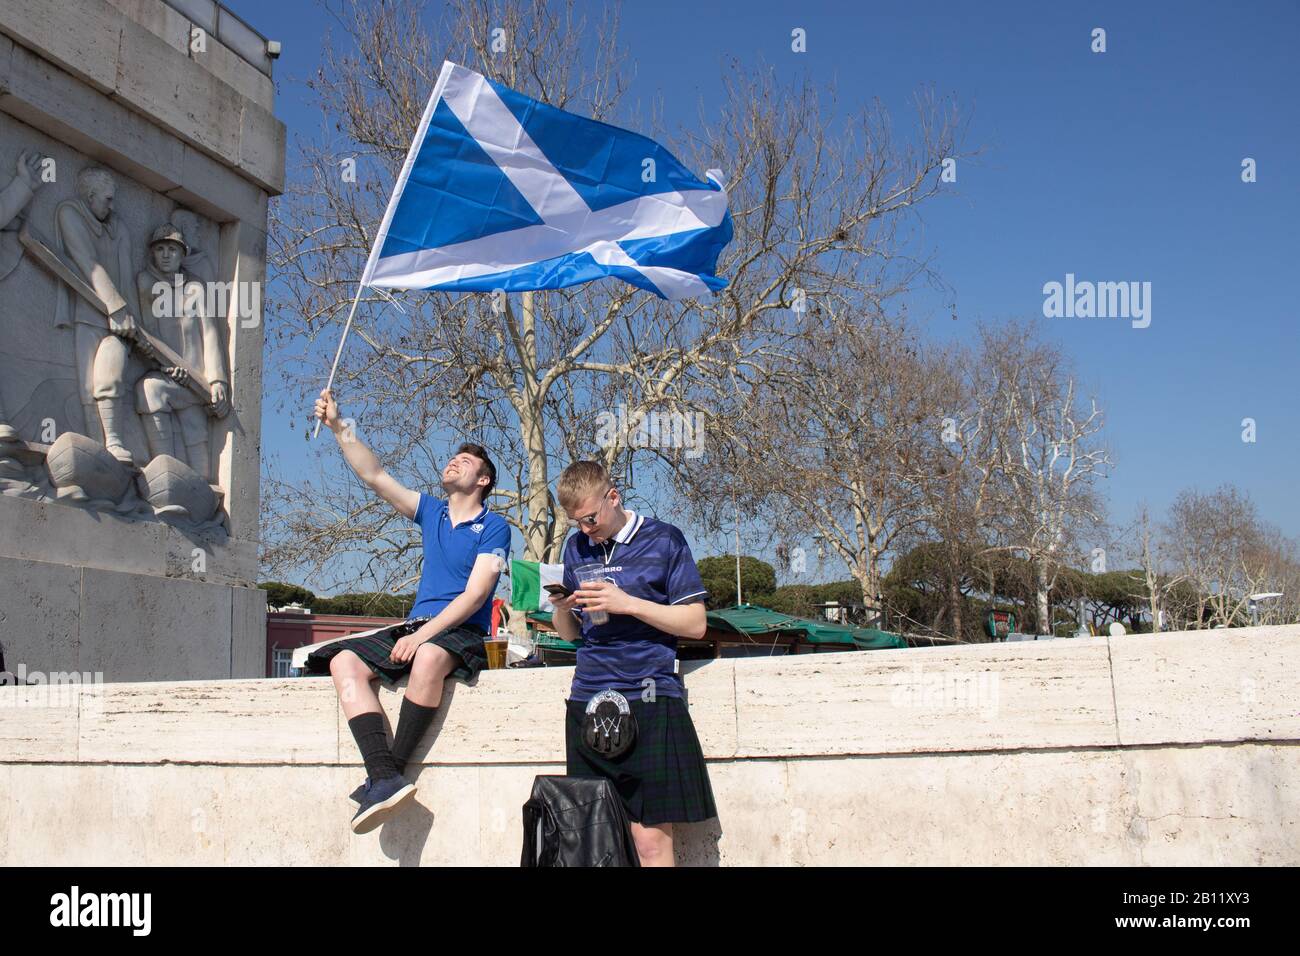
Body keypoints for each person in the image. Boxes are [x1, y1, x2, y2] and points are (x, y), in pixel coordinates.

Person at [305, 388, 510, 834]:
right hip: (417, 625)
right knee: (343, 661)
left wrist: (421, 638)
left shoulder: (495, 526)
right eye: (454, 456)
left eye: (468, 461)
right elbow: (375, 475)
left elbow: (476, 596)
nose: (456, 461)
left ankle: (387, 774)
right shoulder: (431, 512)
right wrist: (340, 426)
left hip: (460, 632)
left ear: (484, 482)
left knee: (431, 657)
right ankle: (385, 778)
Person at [550, 460, 717, 867]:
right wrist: (560, 607)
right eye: (577, 523)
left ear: (613, 497)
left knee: (649, 840)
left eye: (590, 518)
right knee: (594, 840)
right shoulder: (576, 548)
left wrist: (627, 604)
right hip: (588, 697)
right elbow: (572, 634)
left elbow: (695, 624)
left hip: (648, 697)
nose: (586, 530)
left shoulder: (664, 539)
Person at [134, 222, 230, 478]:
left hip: (196, 383)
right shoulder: (145, 283)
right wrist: (160, 362)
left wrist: (218, 381)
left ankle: (205, 493)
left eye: (173, 249)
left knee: (196, 437)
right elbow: (146, 333)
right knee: (148, 390)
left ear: (183, 254)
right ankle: (163, 474)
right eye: (160, 249)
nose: (166, 255)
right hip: (166, 375)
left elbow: (210, 334)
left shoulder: (196, 288)